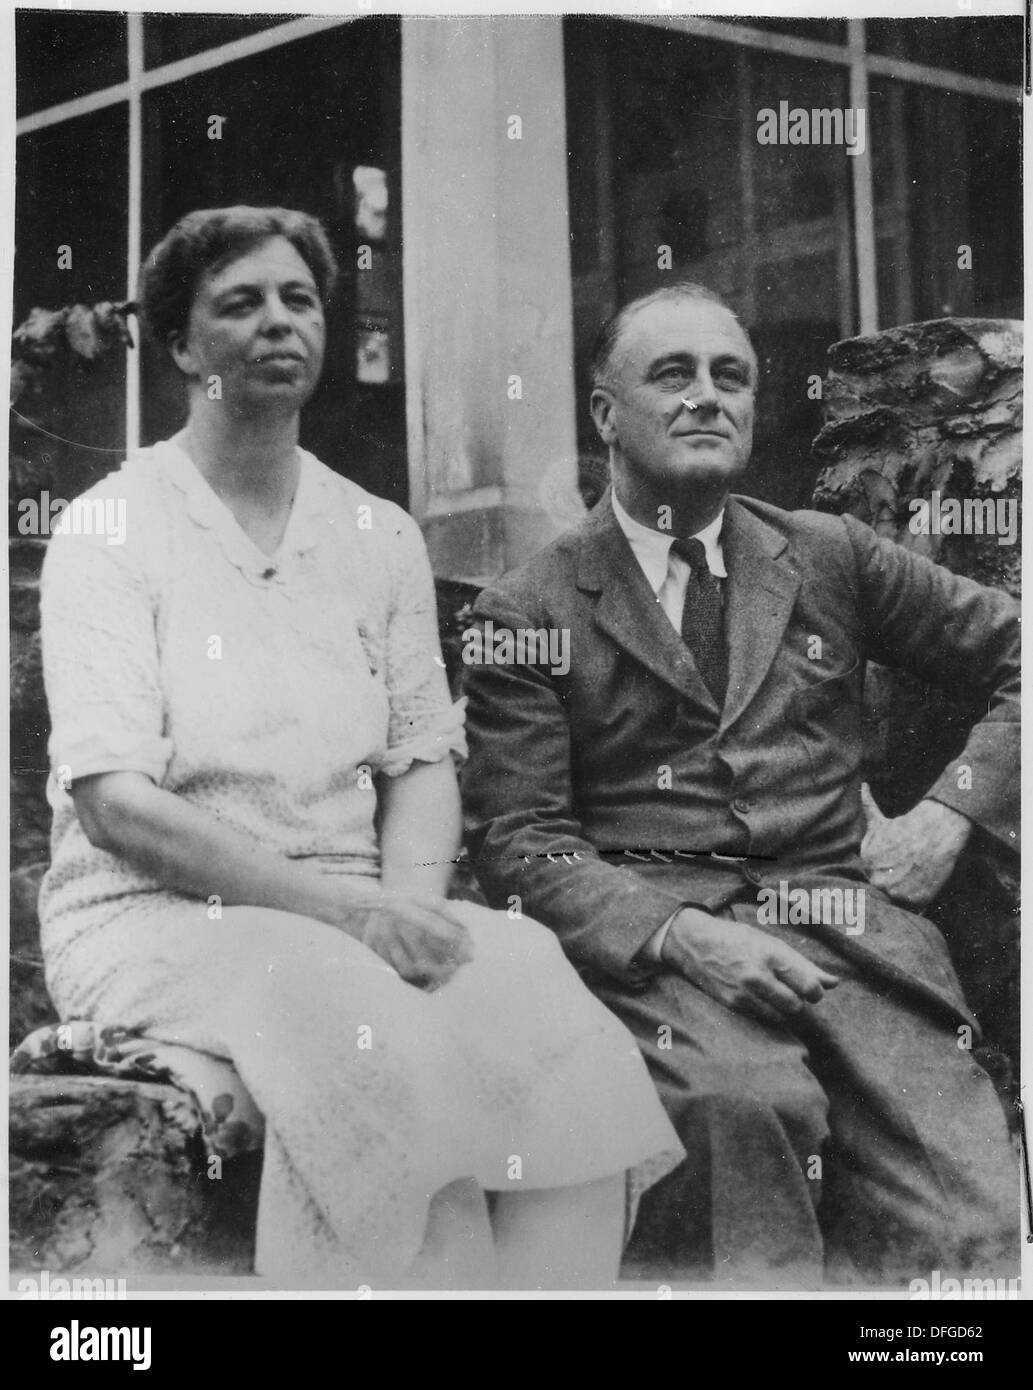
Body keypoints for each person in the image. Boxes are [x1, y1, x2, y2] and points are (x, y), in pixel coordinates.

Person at [37, 207, 683, 1291]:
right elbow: (114, 803)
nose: (277, 322)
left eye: (297, 299)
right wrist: (353, 921)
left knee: (522, 978)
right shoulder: (111, 527)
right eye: (238, 304)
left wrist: (406, 906)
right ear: (182, 345)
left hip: (353, 907)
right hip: (150, 919)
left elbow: (422, 758)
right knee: (349, 1019)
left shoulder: (375, 533)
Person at [461, 281, 1019, 1287]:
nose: (705, 397)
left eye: (730, 376)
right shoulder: (529, 605)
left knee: (969, 1221)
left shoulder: (825, 555)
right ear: (604, 416)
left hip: (855, 946)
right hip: (665, 964)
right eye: (671, 374)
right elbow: (522, 841)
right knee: (740, 1122)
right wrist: (680, 936)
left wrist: (949, 809)